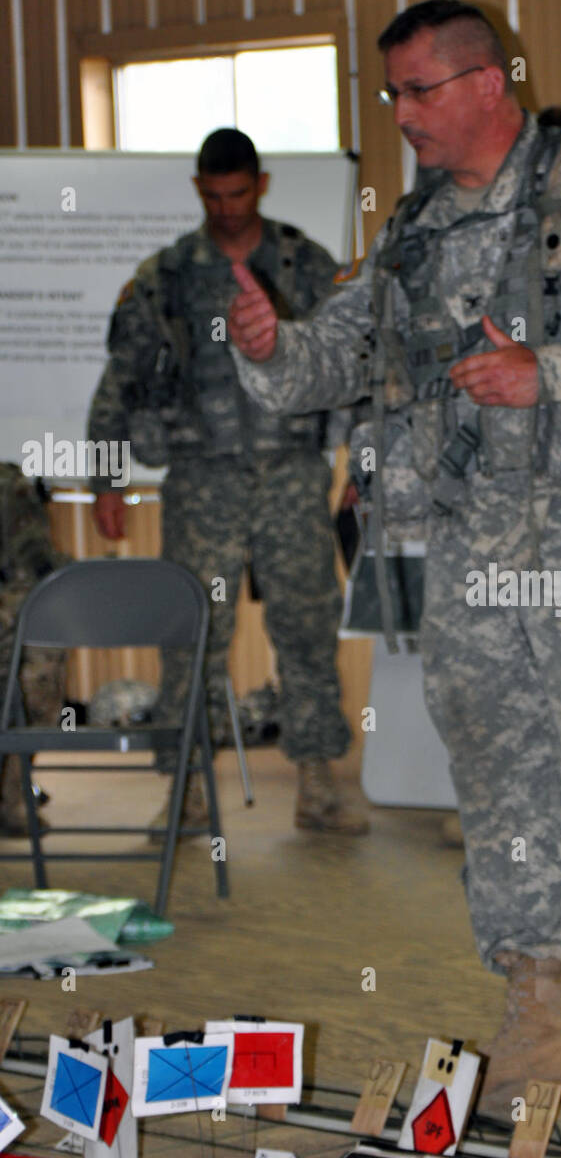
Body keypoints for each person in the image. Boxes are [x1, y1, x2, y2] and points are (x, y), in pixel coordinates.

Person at [229, 0, 561, 1142]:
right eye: (391, 95)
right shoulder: (413, 229)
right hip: (472, 555)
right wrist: (271, 349)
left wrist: (548, 370)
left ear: (482, 84)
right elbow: (340, 349)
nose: (400, 116)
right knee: (502, 790)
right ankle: (533, 1014)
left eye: (416, 91)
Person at [87, 129, 367, 836]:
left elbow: (355, 365)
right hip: (201, 477)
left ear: (260, 185)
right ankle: (186, 788)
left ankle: (315, 780)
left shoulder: (304, 263)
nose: (227, 207)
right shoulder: (168, 275)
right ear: (198, 190)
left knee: (304, 620)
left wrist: (362, 468)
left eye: (238, 193)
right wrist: (106, 480)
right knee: (193, 631)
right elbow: (120, 381)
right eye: (213, 195)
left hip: (293, 473)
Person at [0, 465, 65, 835]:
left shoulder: (10, 486)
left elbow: (35, 567)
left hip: (14, 606)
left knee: (40, 661)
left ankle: (13, 795)